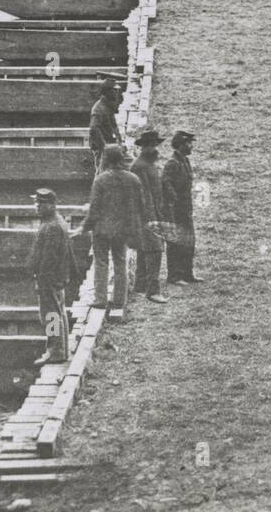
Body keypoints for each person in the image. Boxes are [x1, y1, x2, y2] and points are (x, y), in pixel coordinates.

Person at [80, 145, 144, 310]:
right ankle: (119, 301)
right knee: (120, 262)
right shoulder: (133, 179)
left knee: (101, 262)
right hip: (122, 230)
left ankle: (100, 299)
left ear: (106, 160)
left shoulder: (100, 180)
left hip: (101, 230)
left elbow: (94, 210)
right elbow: (139, 206)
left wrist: (84, 227)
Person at [29, 189, 78, 364]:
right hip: (54, 277)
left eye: (40, 204)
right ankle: (59, 349)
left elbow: (49, 260)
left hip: (49, 278)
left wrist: (40, 280)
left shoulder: (53, 226)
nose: (37, 207)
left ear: (50, 205)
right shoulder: (53, 221)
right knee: (57, 312)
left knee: (51, 315)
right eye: (36, 203)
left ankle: (55, 351)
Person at [129, 129, 168, 303]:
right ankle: (153, 291)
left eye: (155, 145)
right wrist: (152, 218)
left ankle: (140, 284)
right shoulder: (140, 166)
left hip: (149, 214)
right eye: (152, 145)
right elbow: (145, 196)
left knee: (145, 249)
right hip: (145, 216)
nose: (156, 149)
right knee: (155, 250)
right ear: (144, 147)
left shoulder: (148, 164)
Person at [163, 130, 200, 284]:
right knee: (176, 243)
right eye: (189, 143)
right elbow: (165, 183)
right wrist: (174, 200)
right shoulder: (173, 163)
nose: (191, 146)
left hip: (185, 209)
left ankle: (187, 273)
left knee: (189, 241)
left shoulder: (184, 161)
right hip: (176, 210)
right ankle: (174, 276)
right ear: (182, 145)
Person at [88, 79, 123, 169]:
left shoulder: (108, 105)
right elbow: (93, 129)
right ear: (107, 92)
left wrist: (119, 140)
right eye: (113, 90)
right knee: (101, 170)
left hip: (109, 143)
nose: (116, 93)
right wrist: (104, 146)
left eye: (116, 91)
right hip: (101, 147)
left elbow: (113, 124)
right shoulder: (98, 109)